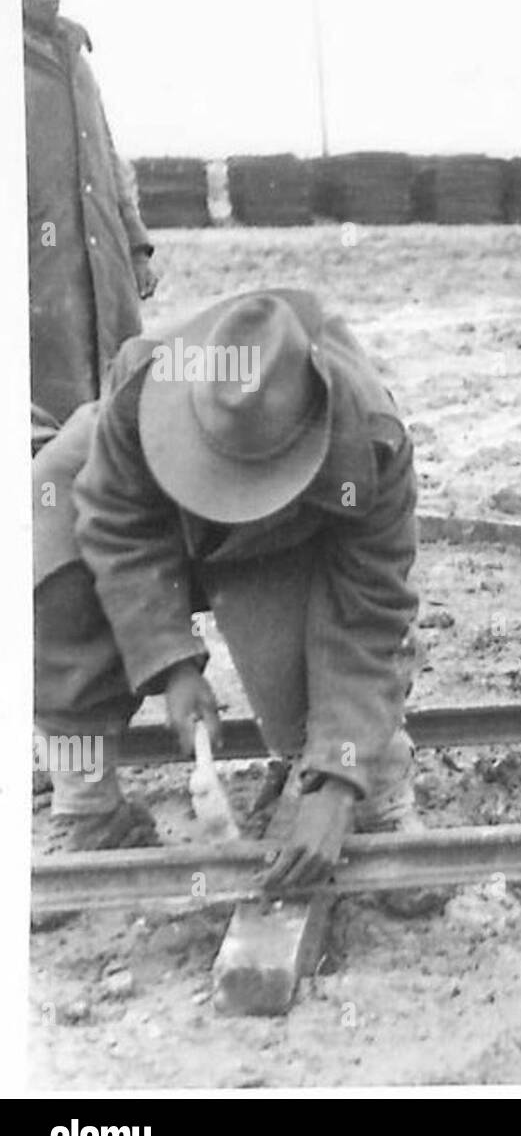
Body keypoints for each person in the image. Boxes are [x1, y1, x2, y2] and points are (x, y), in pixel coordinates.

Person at [33, 289, 421, 890]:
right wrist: (172, 665)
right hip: (157, 513)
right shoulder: (144, 395)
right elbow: (115, 524)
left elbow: (368, 616)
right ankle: (84, 796)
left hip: (288, 540)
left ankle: (375, 791)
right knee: (47, 534)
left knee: (319, 708)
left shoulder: (369, 445)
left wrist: (340, 779)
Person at [21, 0, 159, 434]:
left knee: (119, 400)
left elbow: (108, 155)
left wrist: (138, 248)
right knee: (48, 420)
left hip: (106, 269)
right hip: (43, 276)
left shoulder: (77, 58)